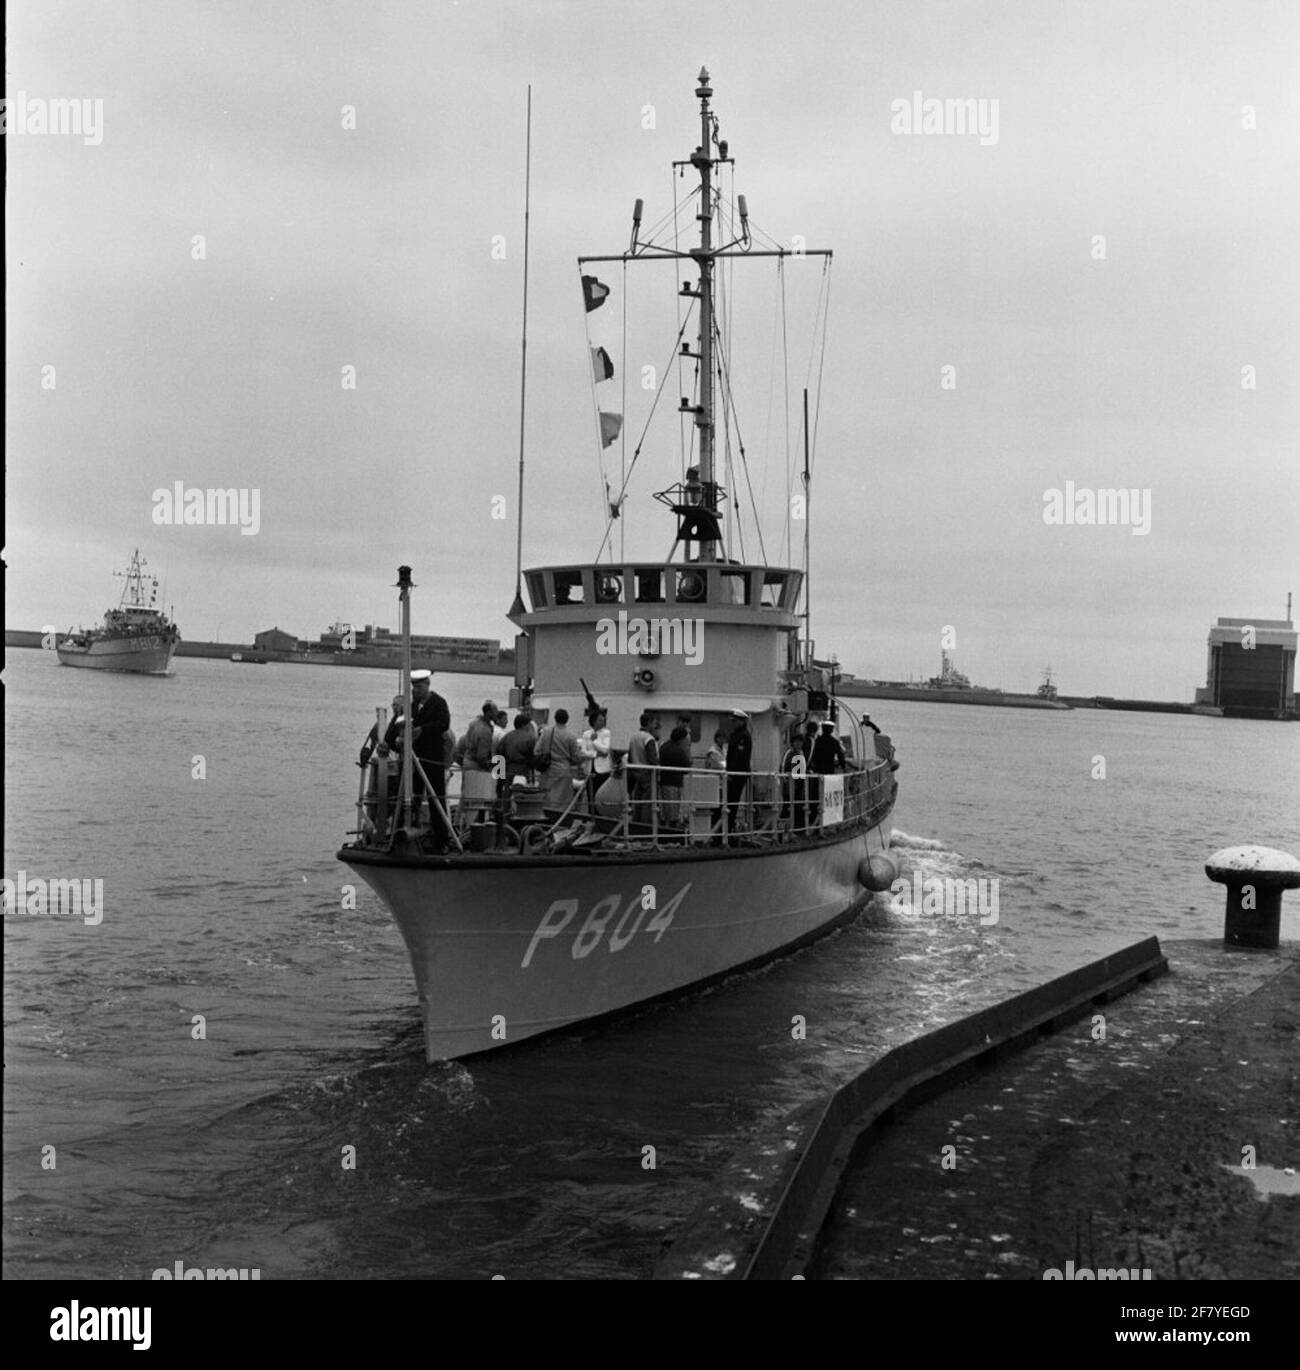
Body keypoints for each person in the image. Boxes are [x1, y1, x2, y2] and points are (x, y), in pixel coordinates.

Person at [380, 669, 452, 849]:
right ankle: (404, 835)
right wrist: (386, 743)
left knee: (437, 799)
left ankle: (441, 841)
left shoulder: (439, 703)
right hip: (414, 760)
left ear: (428, 685)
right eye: (413, 688)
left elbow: (444, 724)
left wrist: (423, 730)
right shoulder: (410, 707)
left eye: (419, 687)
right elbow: (396, 724)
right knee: (411, 798)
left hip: (432, 759)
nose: (415, 691)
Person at [534, 707, 585, 811]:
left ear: (555, 718)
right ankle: (560, 819)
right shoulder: (571, 736)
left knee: (547, 797)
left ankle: (546, 816)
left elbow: (536, 750)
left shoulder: (546, 732)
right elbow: (576, 757)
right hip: (563, 770)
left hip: (548, 769)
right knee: (562, 800)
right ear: (567, 719)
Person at [459, 700, 498, 824]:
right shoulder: (485, 731)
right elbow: (481, 757)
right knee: (479, 797)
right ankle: (477, 823)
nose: (497, 713)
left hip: (467, 761)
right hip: (476, 767)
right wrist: (491, 766)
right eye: (495, 711)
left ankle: (459, 821)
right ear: (488, 712)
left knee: (465, 795)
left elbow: (464, 742)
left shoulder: (474, 723)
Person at [626, 712, 661, 827]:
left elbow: (630, 757)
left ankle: (636, 823)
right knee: (648, 801)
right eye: (654, 723)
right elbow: (652, 758)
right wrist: (658, 767)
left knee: (638, 800)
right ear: (649, 723)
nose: (655, 725)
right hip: (647, 773)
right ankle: (645, 826)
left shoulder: (633, 736)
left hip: (635, 771)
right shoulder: (649, 738)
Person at [658, 724, 693, 836]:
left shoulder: (664, 746)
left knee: (665, 810)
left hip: (664, 781)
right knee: (673, 811)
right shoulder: (678, 751)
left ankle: (663, 830)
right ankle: (672, 833)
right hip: (674, 783)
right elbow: (687, 766)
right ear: (681, 739)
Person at [724, 709, 753, 840]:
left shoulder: (743, 736)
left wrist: (731, 773)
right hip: (734, 774)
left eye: (735, 721)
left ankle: (726, 831)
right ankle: (724, 831)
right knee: (729, 803)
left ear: (742, 721)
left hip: (736, 776)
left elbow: (738, 757)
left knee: (732, 803)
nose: (733, 723)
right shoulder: (737, 734)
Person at [580, 708, 612, 806]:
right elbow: (583, 752)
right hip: (590, 768)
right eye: (600, 720)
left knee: (601, 793)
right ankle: (591, 814)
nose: (602, 722)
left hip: (603, 769)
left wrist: (595, 741)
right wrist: (595, 754)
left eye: (603, 720)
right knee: (591, 793)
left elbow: (605, 750)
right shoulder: (586, 734)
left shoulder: (607, 733)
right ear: (593, 721)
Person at [781, 730, 810, 834]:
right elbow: (784, 768)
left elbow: (801, 769)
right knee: (787, 808)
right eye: (797, 742)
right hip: (789, 786)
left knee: (797, 808)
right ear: (792, 742)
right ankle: (782, 831)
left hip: (798, 786)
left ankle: (795, 830)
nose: (799, 744)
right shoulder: (789, 753)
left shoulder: (800, 753)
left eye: (800, 742)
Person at [495, 713, 537, 782]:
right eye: (528, 725)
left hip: (508, 772)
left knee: (507, 790)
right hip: (523, 772)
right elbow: (534, 756)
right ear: (523, 725)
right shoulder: (530, 738)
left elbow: (499, 755)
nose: (529, 727)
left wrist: (500, 776)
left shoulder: (506, 736)